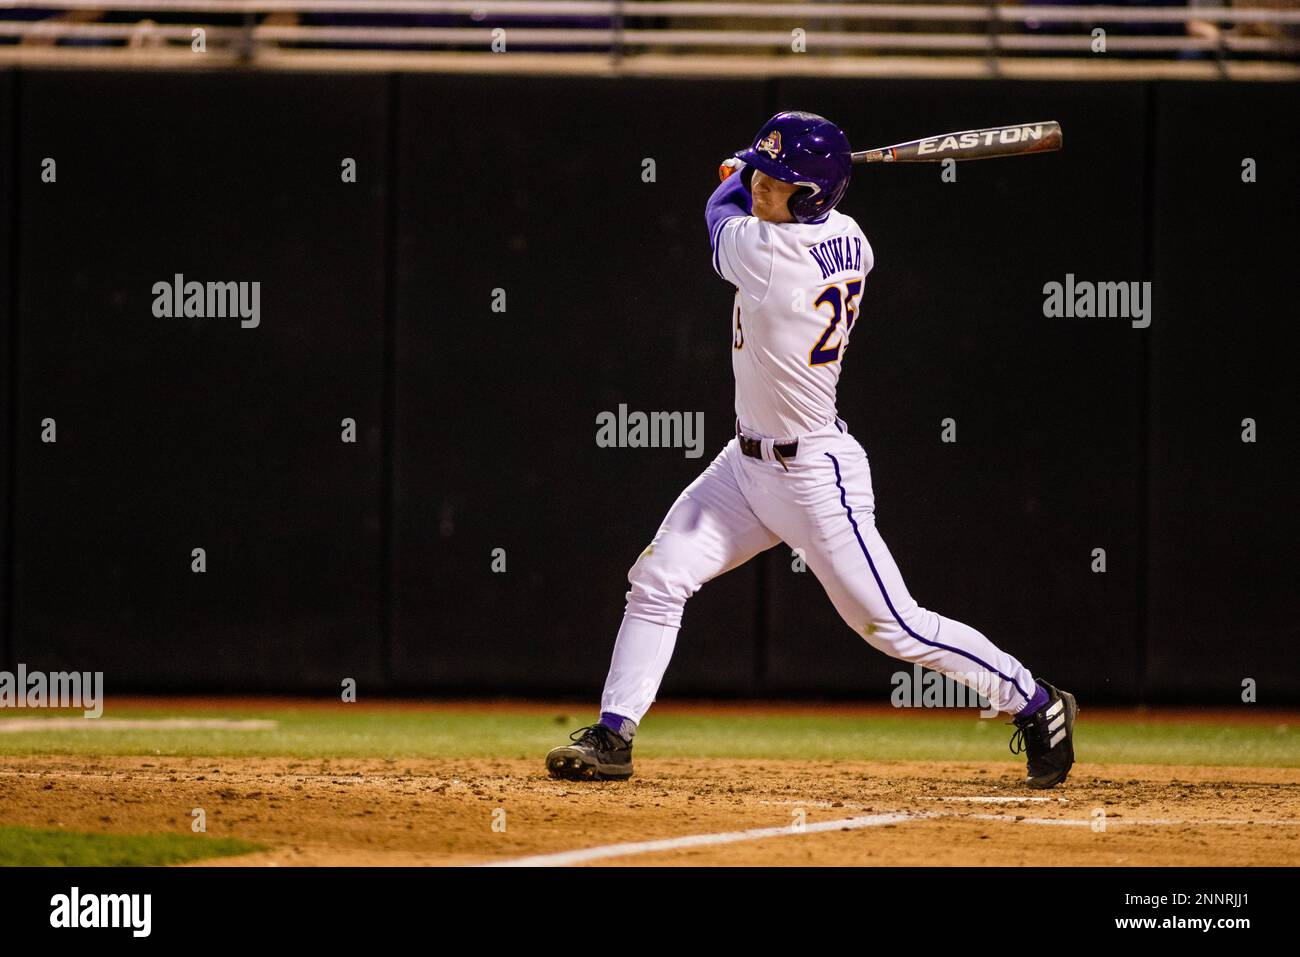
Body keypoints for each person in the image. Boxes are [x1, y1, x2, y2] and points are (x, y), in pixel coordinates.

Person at [546, 111, 1078, 790]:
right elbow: (751, 195)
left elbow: (717, 206)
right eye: (765, 176)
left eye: (780, 181)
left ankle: (1035, 700)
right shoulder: (852, 237)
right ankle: (614, 734)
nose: (764, 187)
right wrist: (762, 171)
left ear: (813, 196)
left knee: (894, 626)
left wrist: (738, 178)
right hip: (743, 469)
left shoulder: (767, 256)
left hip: (815, 477)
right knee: (657, 577)